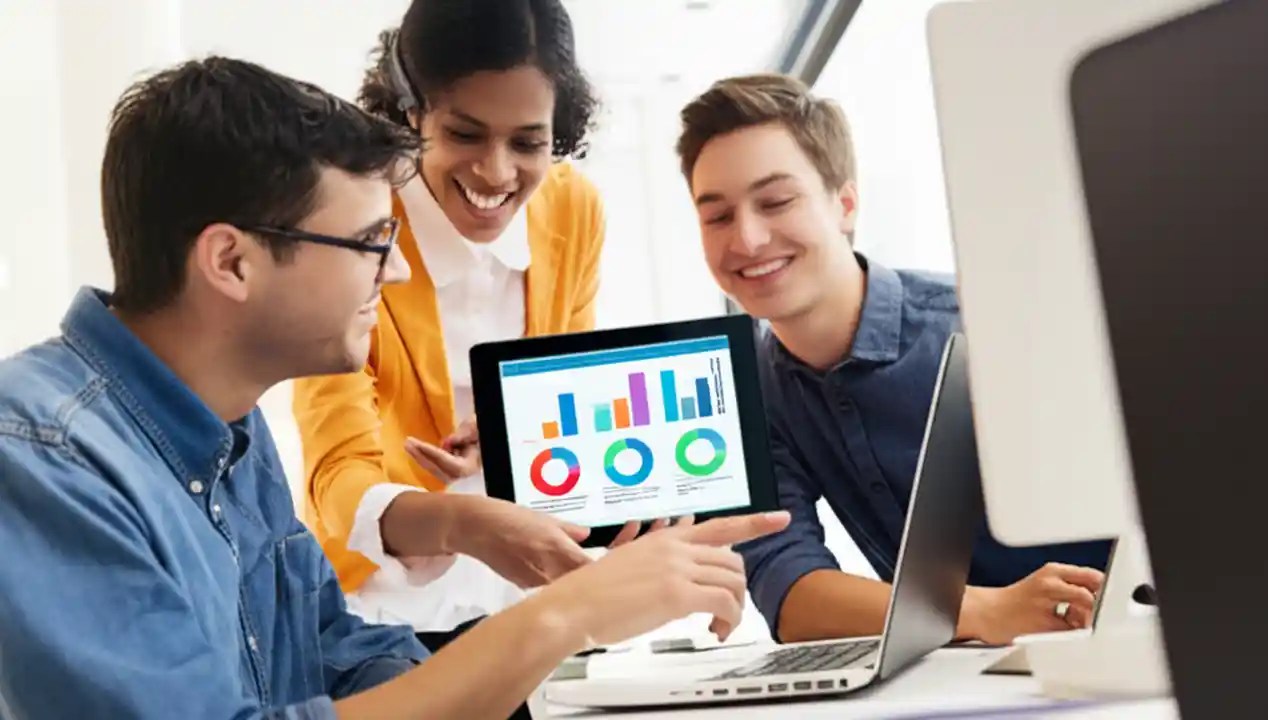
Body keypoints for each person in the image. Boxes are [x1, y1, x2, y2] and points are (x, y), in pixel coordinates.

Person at [0, 56, 790, 720]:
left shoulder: (227, 432)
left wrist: (575, 647)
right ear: (231, 262)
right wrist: (569, 614)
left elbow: (340, 658)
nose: (402, 269)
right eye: (374, 243)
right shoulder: (40, 459)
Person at [675, 73, 1113, 646]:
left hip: (1112, 639)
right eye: (718, 217)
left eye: (776, 201)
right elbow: (792, 593)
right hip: (951, 674)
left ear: (845, 204)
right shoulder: (748, 393)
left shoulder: (977, 324)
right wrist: (982, 612)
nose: (749, 239)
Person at [291, 0, 672, 646]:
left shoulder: (572, 209)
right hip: (381, 613)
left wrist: (508, 434)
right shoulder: (352, 226)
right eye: (465, 135)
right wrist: (465, 523)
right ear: (411, 112)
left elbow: (567, 399)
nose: (497, 172)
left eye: (528, 142)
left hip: (529, 598)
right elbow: (338, 475)